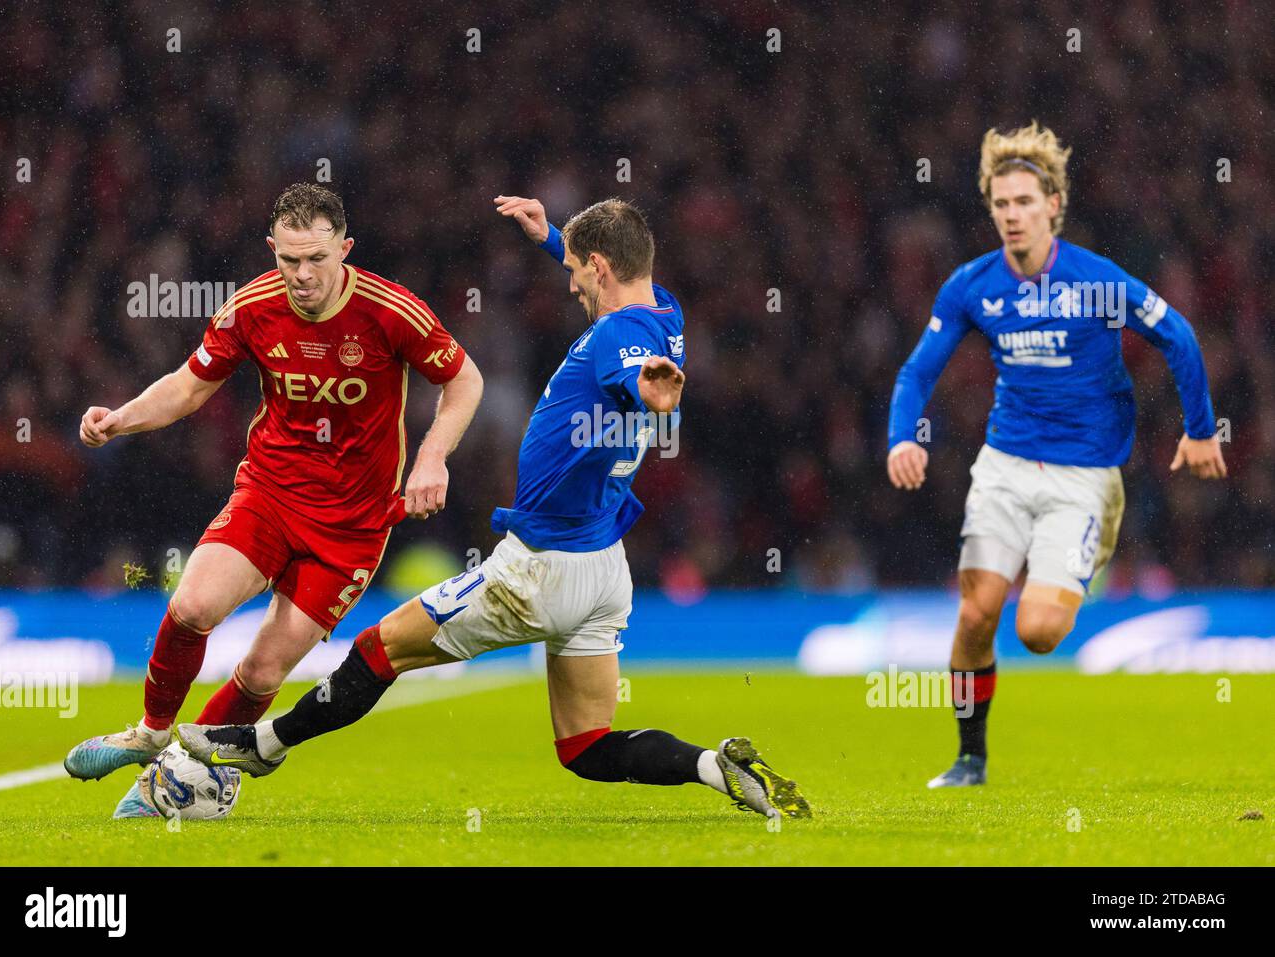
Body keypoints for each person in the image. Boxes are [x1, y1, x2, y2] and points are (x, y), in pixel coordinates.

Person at [179, 195, 811, 820]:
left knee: (379, 648)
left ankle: (263, 745)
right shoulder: (664, 309)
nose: (570, 288)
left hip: (540, 566)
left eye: (572, 272)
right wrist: (549, 236)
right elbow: (619, 286)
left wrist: (651, 387)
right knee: (586, 745)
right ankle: (712, 765)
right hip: (603, 572)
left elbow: (633, 370)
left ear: (599, 268)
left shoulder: (623, 334)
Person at [64, 183, 484, 818]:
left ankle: (193, 776)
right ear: (272, 250)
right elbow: (187, 387)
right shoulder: (251, 308)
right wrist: (119, 419)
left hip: (352, 527)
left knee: (262, 673)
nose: (303, 276)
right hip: (270, 493)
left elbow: (463, 379)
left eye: (317, 259)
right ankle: (150, 736)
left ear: (345, 248)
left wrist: (430, 457)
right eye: (289, 260)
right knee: (193, 604)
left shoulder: (391, 310)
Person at [885, 122, 1226, 788]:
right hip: (1006, 464)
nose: (1012, 215)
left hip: (1083, 473)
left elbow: (1178, 335)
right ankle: (969, 758)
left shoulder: (1097, 282)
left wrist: (1201, 429)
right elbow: (917, 372)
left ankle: (1091, 541)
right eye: (1001, 204)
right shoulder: (972, 285)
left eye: (1024, 203)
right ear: (992, 209)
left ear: (1053, 208)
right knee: (977, 611)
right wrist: (903, 435)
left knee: (1039, 631)